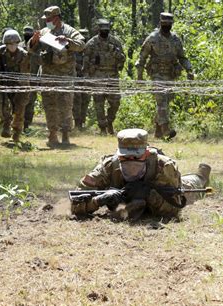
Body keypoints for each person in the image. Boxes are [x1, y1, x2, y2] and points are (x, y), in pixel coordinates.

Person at [70, 128, 210, 221]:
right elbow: (75, 203)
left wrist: (149, 195)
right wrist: (98, 200)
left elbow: (174, 209)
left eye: (136, 157)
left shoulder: (163, 166)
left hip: (168, 189)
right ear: (118, 155)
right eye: (126, 157)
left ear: (147, 153)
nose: (131, 161)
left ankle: (203, 175)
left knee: (192, 185)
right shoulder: (108, 167)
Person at [29, 6, 85, 147]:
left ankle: (65, 134)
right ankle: (52, 134)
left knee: (65, 105)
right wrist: (34, 40)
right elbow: (30, 48)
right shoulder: (44, 31)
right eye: (45, 19)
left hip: (64, 76)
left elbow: (82, 45)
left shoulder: (70, 31)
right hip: (47, 75)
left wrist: (67, 41)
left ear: (57, 18)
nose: (47, 21)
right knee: (49, 105)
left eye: (49, 19)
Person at [136, 12, 194, 140]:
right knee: (161, 102)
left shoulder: (175, 40)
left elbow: (182, 57)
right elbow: (142, 57)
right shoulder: (152, 38)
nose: (167, 26)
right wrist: (139, 76)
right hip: (157, 75)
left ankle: (158, 132)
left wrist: (189, 70)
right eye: (164, 23)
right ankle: (166, 130)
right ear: (160, 23)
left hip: (171, 75)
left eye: (169, 24)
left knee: (166, 103)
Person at [83, 19, 125, 135]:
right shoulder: (91, 43)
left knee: (115, 102)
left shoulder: (115, 42)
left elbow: (122, 58)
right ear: (98, 30)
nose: (105, 32)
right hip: (97, 77)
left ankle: (109, 121)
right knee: (99, 104)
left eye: (107, 30)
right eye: (102, 30)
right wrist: (89, 74)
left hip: (112, 76)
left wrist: (115, 52)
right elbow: (85, 63)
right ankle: (102, 127)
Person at [0, 30, 30, 142]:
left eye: (14, 43)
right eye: (9, 44)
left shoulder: (23, 54)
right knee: (3, 106)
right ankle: (6, 125)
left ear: (18, 43)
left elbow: (25, 73)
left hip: (20, 85)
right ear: (6, 44)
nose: (12, 46)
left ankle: (17, 132)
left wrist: (21, 89)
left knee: (19, 109)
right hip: (4, 84)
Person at [20, 25, 40, 132]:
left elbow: (41, 64)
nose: (27, 35)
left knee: (30, 102)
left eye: (29, 33)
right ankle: (18, 124)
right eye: (25, 33)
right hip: (20, 80)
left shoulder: (37, 47)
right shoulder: (19, 46)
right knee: (20, 102)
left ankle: (26, 125)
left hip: (33, 80)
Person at [72, 28, 91, 130]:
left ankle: (82, 121)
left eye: (86, 37)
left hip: (87, 79)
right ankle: (77, 122)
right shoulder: (74, 50)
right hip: (76, 78)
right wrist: (79, 67)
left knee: (86, 100)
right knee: (77, 100)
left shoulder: (90, 49)